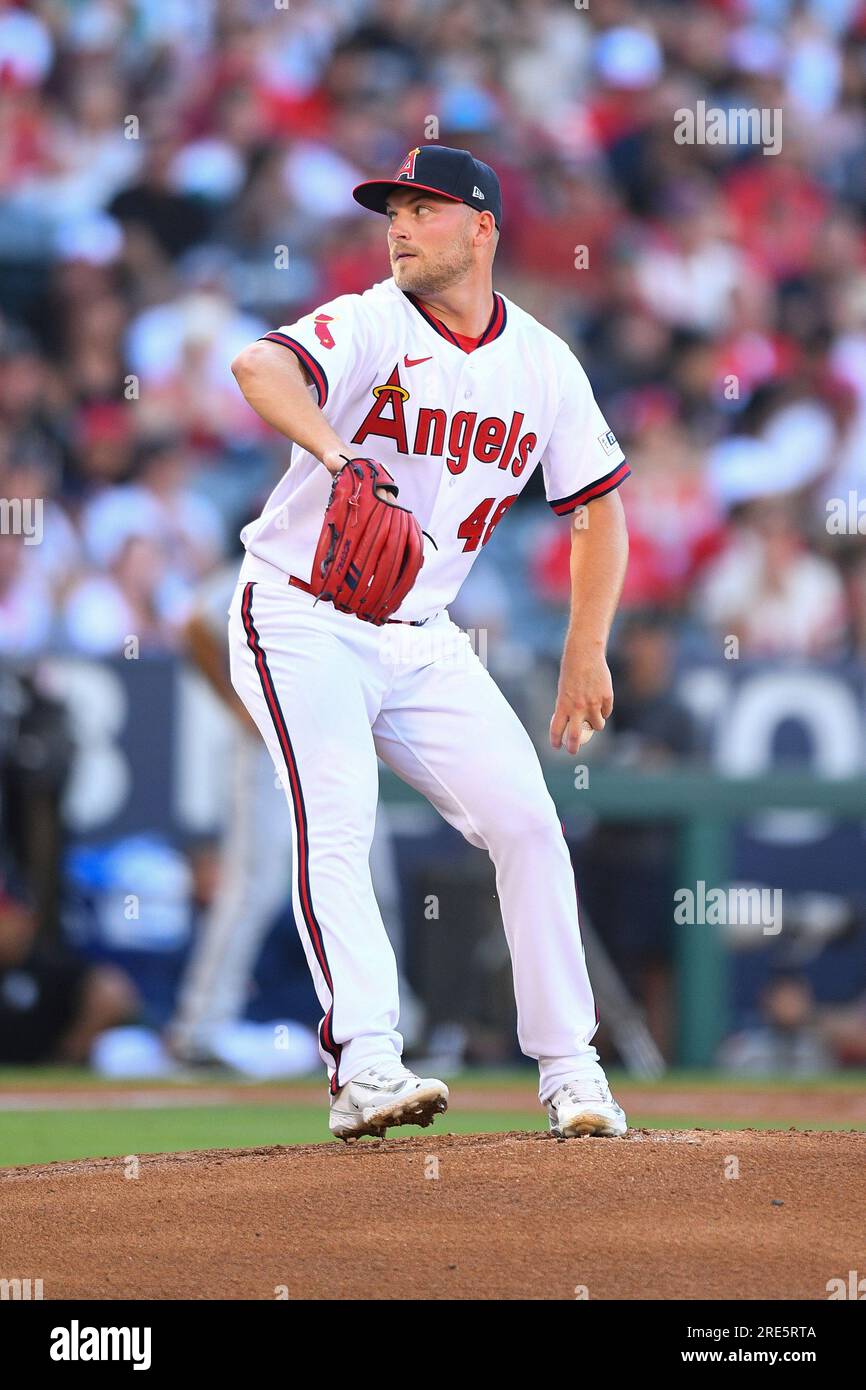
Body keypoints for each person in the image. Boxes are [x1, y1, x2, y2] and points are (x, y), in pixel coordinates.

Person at [228, 145, 631, 1141]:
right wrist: (332, 448)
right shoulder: (370, 319)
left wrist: (586, 647)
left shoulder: (540, 361)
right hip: (298, 610)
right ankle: (364, 1064)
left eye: (424, 209)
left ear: (481, 227)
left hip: (421, 635)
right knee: (339, 818)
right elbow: (258, 364)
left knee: (528, 825)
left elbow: (598, 509)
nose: (400, 227)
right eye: (392, 211)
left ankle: (572, 1074)